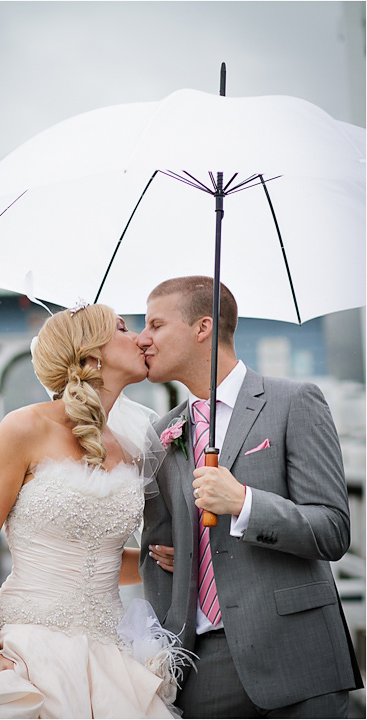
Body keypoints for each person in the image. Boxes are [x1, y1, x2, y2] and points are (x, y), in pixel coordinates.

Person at [0, 303, 191, 719]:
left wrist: (155, 560)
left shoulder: (135, 451)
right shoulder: (23, 428)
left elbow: (104, 559)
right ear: (92, 354)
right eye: (124, 329)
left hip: (108, 650)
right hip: (28, 647)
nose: (141, 338)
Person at [137, 276, 363, 718]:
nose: (144, 339)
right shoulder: (160, 434)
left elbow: (334, 530)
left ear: (203, 327)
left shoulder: (294, 402)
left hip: (298, 658)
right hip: (201, 665)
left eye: (156, 325)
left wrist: (245, 502)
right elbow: (156, 551)